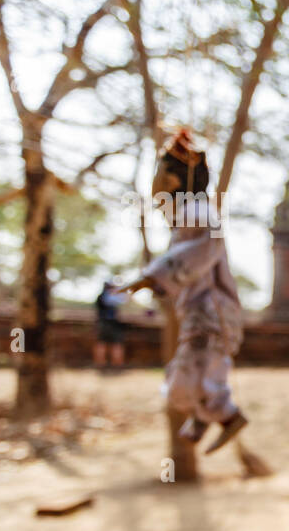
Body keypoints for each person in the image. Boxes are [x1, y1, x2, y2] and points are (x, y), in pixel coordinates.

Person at [118, 129, 247, 454]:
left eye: (159, 174)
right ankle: (206, 416)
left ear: (174, 181)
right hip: (201, 313)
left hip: (213, 313)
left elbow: (200, 251)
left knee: (193, 376)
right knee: (189, 374)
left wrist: (151, 276)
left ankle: (228, 417)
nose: (154, 183)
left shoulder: (199, 215)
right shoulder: (186, 217)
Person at [93, 280, 127, 371]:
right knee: (116, 344)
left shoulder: (100, 297)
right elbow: (123, 300)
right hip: (111, 324)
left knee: (101, 343)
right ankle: (117, 364)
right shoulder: (110, 297)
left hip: (102, 323)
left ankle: (100, 364)